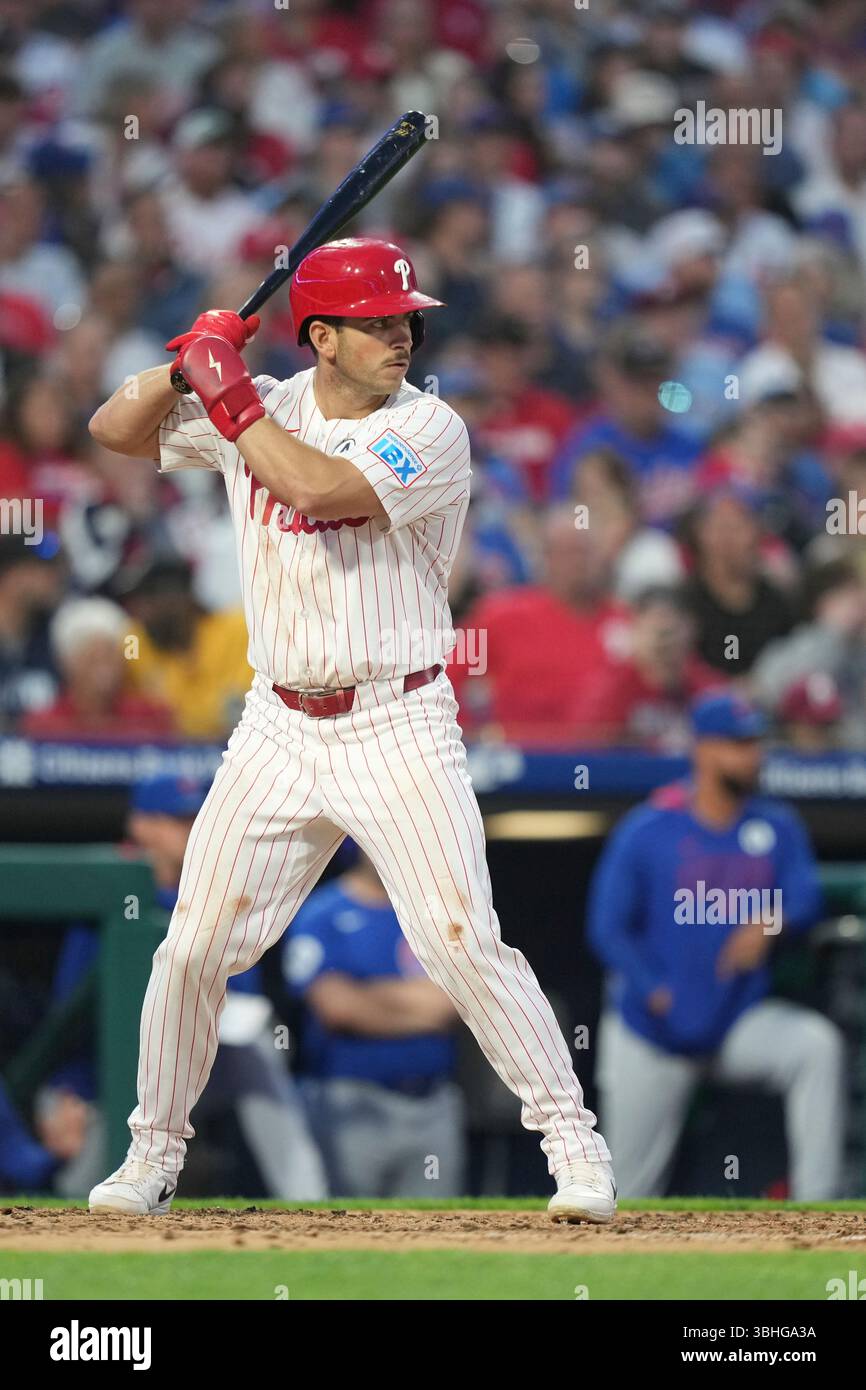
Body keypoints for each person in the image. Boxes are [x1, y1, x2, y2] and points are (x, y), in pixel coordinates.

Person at [85, 237, 615, 1223]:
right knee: (192, 948)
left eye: (406, 318)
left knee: (460, 943)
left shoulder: (431, 426)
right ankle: (152, 1155)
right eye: (377, 322)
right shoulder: (271, 403)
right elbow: (113, 431)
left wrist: (226, 391)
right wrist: (182, 363)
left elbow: (317, 490)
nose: (401, 335)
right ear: (320, 336)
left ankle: (573, 1148)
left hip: (396, 718)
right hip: (277, 724)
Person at [588, 693, 845, 1200]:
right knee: (628, 1197)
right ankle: (610, 1275)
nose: (754, 755)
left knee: (816, 1047)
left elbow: (806, 898)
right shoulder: (650, 827)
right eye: (739, 744)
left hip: (734, 1020)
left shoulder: (774, 825)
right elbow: (607, 928)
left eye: (756, 743)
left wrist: (770, 923)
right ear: (704, 750)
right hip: (652, 1031)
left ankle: (820, 1209)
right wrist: (652, 988)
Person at [284, 846, 464, 1197]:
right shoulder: (321, 912)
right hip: (351, 1100)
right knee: (345, 1229)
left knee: (436, 1235)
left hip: (434, 1100)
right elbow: (338, 1009)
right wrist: (422, 1003)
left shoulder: (439, 912)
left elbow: (458, 1002)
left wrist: (367, 993)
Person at [21, 596, 175, 741]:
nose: (104, 666)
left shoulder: (151, 717)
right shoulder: (43, 724)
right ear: (67, 662)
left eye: (110, 654)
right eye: (92, 656)